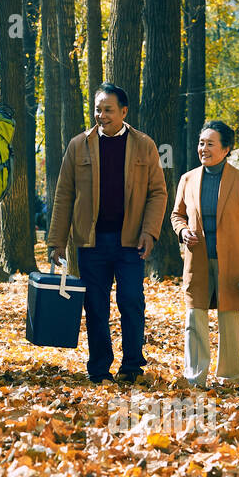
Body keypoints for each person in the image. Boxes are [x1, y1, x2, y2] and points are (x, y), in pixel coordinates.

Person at [47, 82, 167, 385]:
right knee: (95, 306)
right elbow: (64, 194)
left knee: (131, 300)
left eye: (108, 110)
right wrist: (57, 241)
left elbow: (158, 193)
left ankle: (131, 365)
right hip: (91, 242)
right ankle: (99, 368)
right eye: (98, 109)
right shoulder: (79, 145)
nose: (101, 115)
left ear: (124, 111)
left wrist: (149, 232)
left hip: (130, 243)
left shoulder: (144, 145)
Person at [170, 120, 239, 389]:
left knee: (229, 319)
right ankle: (195, 377)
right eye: (201, 143)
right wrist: (182, 231)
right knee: (195, 317)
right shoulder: (187, 179)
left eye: (210, 144)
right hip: (197, 260)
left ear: (226, 149)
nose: (203, 148)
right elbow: (176, 215)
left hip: (232, 261)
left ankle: (229, 377)